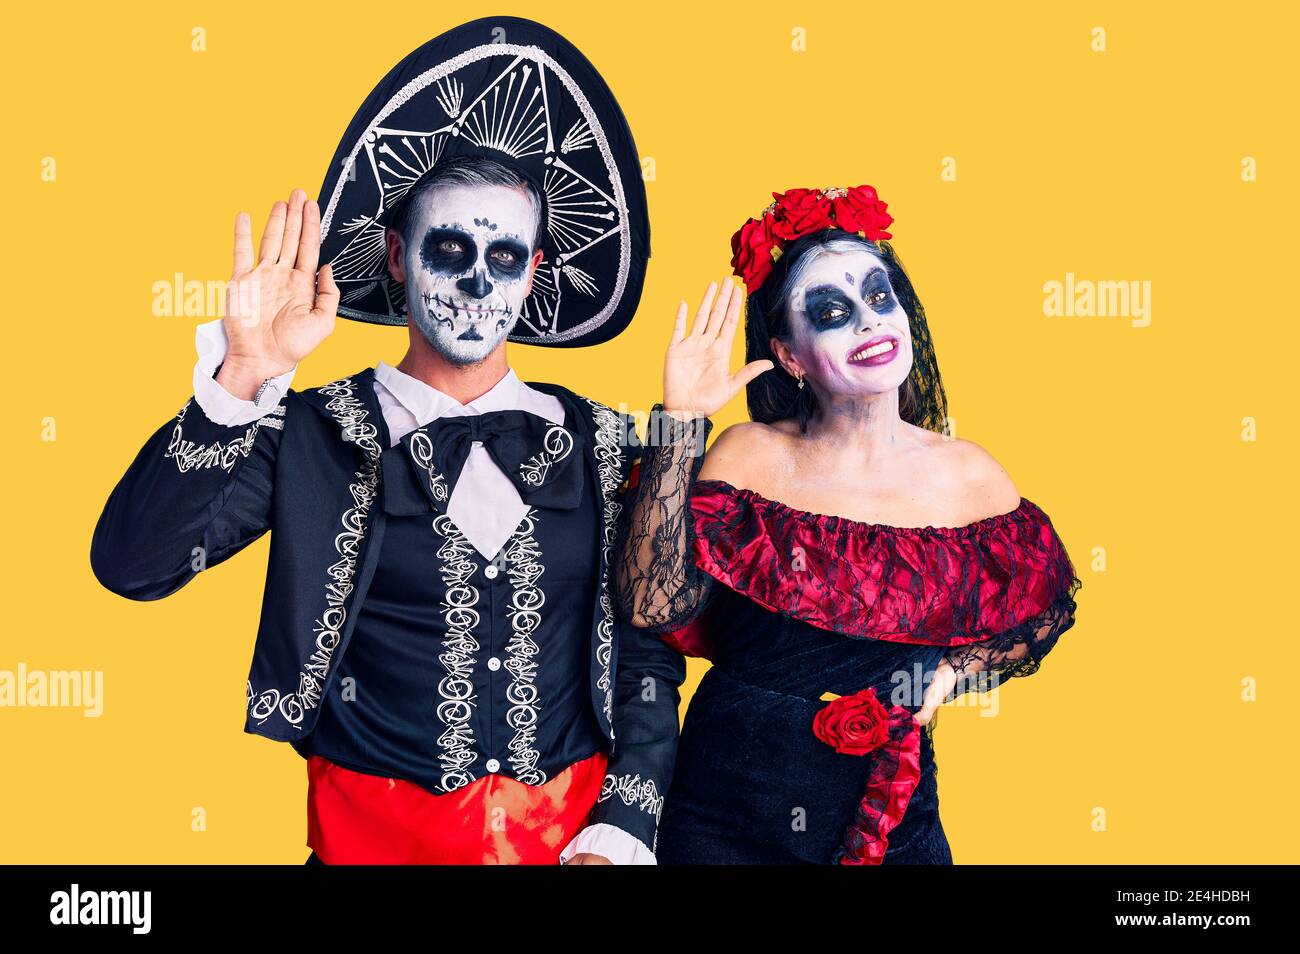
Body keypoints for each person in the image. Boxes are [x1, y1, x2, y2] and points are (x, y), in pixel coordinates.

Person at [90, 17, 683, 865]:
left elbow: (646, 650)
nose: (479, 282)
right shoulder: (308, 434)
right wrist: (241, 380)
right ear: (399, 259)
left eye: (506, 256)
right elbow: (132, 564)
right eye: (450, 249)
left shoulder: (604, 443)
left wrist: (627, 820)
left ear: (535, 268)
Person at [615, 185, 1083, 864]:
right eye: (832, 311)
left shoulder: (968, 475)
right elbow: (653, 603)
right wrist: (679, 423)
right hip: (721, 816)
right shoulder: (749, 453)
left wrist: (950, 673)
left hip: (888, 818)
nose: (869, 321)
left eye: (878, 295)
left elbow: (1042, 613)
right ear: (790, 355)